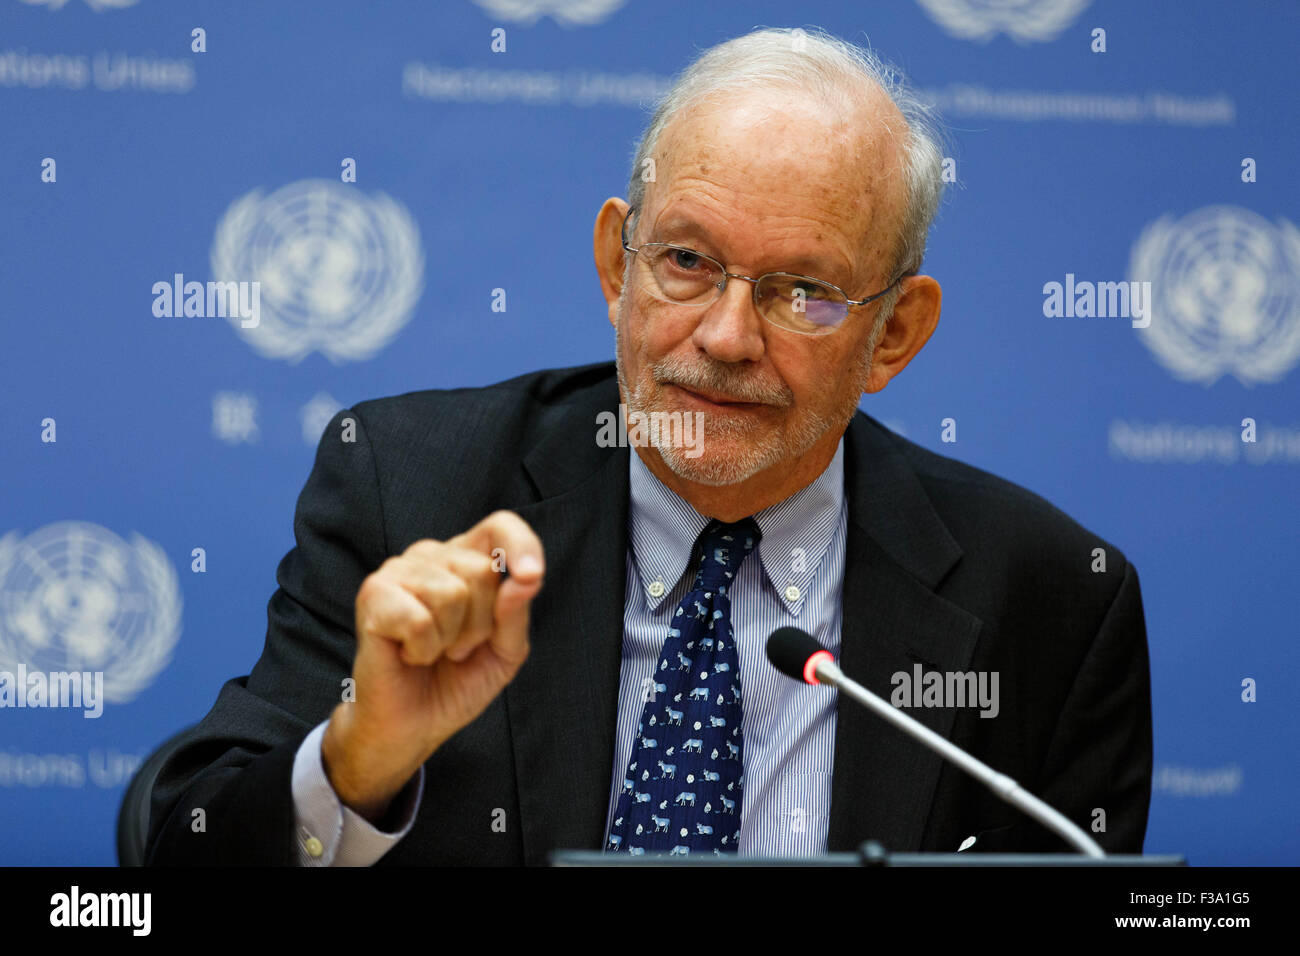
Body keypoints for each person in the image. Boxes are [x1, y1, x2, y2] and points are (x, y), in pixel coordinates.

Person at [145, 26, 1152, 865]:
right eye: (684, 261)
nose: (723, 337)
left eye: (803, 291)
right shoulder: (411, 486)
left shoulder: (1051, 597)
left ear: (892, 333)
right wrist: (359, 756)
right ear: (613, 264)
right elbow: (168, 849)